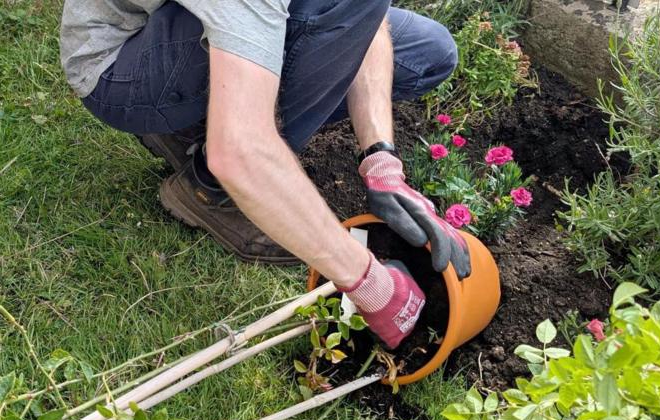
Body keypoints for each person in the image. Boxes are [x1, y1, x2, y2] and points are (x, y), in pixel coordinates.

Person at [60, 1, 471, 349]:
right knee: (239, 143)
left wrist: (382, 160)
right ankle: (210, 189)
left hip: (201, 21)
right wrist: (369, 282)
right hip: (121, 62)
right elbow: (239, 152)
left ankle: (202, 121)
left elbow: (364, 17)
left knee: (424, 53)